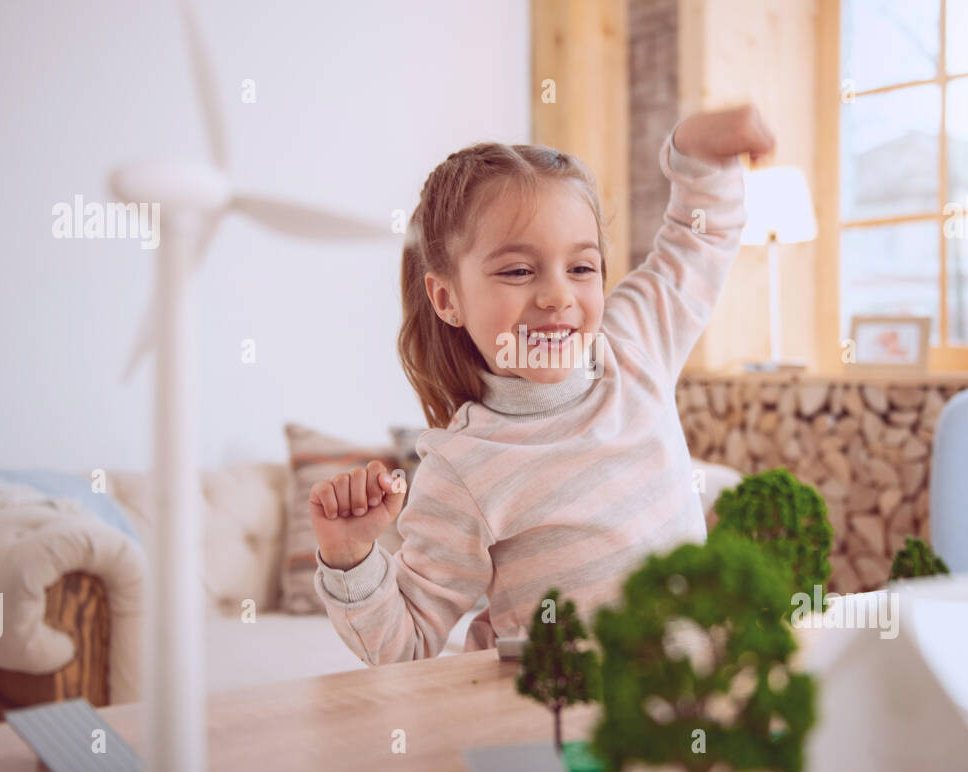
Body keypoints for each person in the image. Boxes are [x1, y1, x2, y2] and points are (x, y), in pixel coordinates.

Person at [306, 105, 774, 663]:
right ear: (447, 298)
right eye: (518, 271)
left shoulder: (633, 346)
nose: (558, 296)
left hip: (682, 700)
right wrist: (352, 558)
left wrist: (698, 153)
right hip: (556, 727)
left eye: (581, 268)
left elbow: (697, 243)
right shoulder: (463, 468)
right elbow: (405, 649)